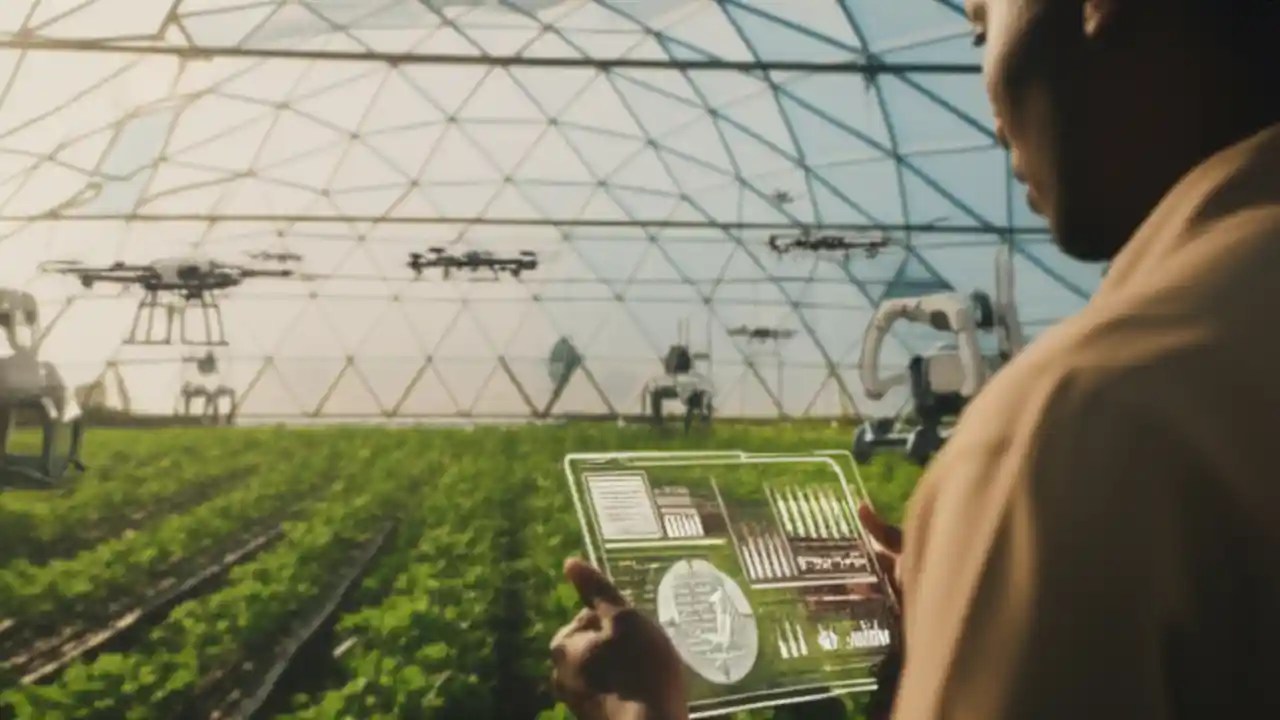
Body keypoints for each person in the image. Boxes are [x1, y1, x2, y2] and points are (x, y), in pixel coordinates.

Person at [549, 0, 1280, 717]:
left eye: (981, 31)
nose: (992, 115)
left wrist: (643, 711)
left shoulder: (1072, 427)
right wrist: (953, 608)